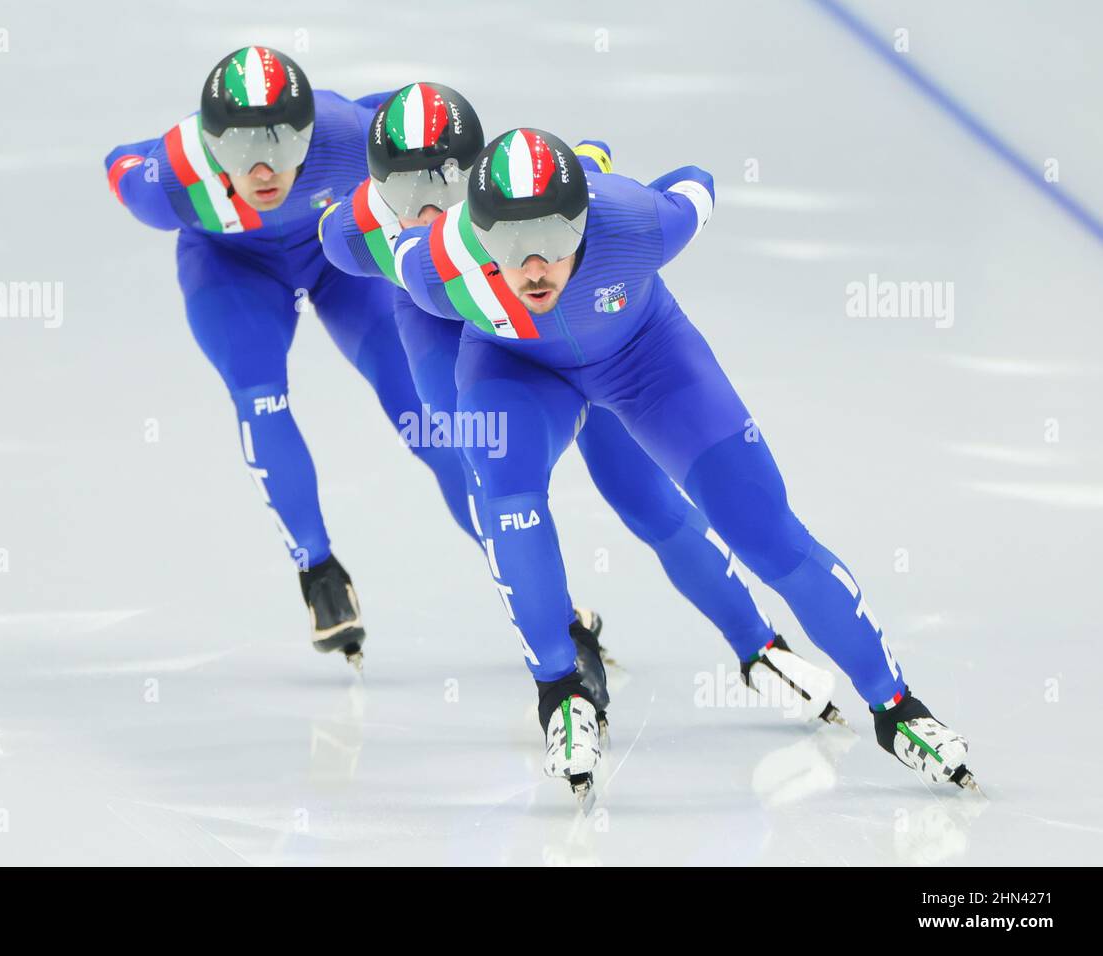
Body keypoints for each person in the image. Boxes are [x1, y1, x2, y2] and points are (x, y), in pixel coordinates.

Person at [370, 124, 979, 799]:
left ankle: (896, 708)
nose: (534, 265)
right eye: (512, 244)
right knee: (504, 493)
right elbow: (360, 244)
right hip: (517, 368)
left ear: (584, 221)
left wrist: (602, 169)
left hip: (643, 361)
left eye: (552, 240)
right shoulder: (435, 264)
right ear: (479, 236)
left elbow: (696, 182)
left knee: (761, 528)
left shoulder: (636, 222)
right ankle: (561, 688)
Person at [319, 85, 848, 781]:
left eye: (442, 180)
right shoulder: (368, 228)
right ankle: (561, 649)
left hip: (576, 343)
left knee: (644, 499)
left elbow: (593, 187)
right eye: (401, 189)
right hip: (453, 339)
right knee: (487, 478)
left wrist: (595, 169)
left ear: (474, 172)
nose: (422, 206)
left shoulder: (516, 202)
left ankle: (756, 645)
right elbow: (330, 237)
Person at [104, 48, 473, 669]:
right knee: (260, 396)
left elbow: (414, 124)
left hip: (335, 258)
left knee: (430, 424)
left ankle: (538, 593)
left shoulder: (346, 135)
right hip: (232, 269)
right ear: (211, 147)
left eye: (282, 144)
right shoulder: (168, 182)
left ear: (308, 132)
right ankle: (319, 571)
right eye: (242, 150)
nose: (265, 168)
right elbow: (121, 163)